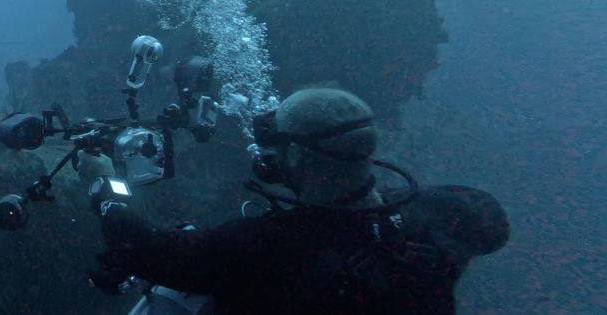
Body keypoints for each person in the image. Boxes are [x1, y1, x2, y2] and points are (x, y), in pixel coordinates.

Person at [94, 87, 510, 315]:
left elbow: (147, 250)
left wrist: (103, 186)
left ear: (297, 156)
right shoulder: (405, 229)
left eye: (279, 146)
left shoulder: (273, 244)